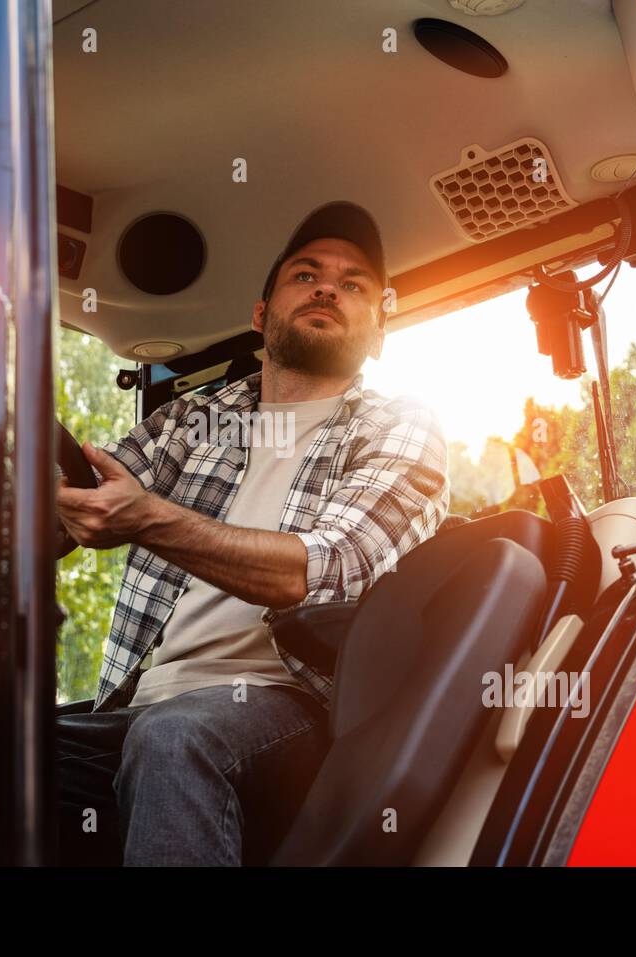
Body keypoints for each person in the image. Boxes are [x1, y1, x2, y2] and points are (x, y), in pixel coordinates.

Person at [54, 201, 450, 865]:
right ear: (261, 313)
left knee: (177, 738)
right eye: (305, 274)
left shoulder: (399, 428)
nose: (327, 286)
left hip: (290, 712)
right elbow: (91, 493)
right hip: (139, 706)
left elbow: (327, 568)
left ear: (380, 332)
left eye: (353, 284)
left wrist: (147, 517)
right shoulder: (194, 418)